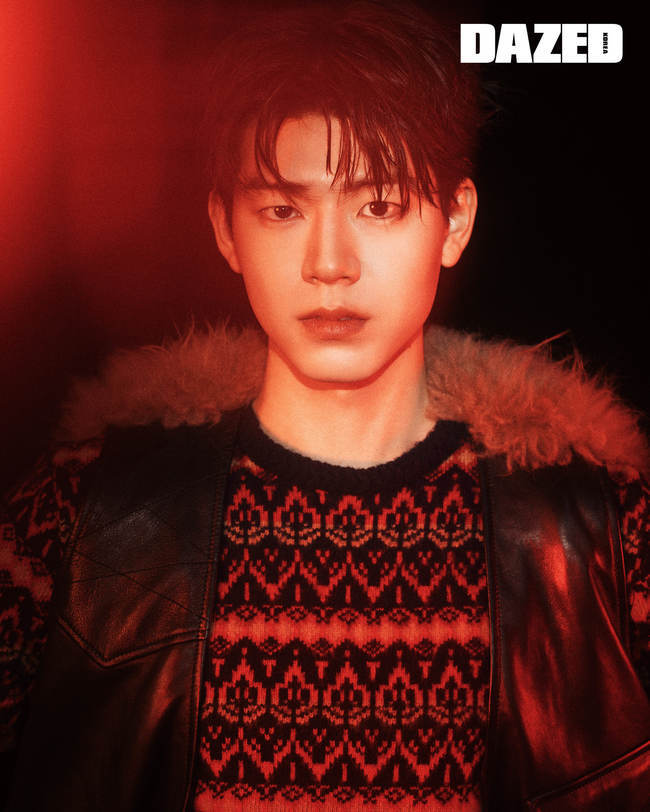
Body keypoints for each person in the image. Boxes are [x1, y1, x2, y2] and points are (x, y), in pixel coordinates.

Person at [1, 1, 648, 810]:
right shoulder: (77, 518)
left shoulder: (605, 531)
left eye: (379, 206)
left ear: (454, 222)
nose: (330, 262)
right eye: (282, 209)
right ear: (226, 230)